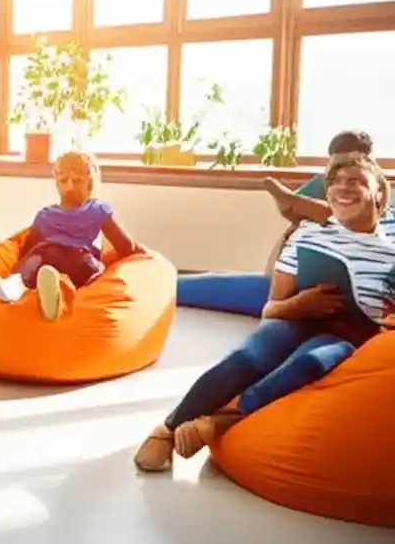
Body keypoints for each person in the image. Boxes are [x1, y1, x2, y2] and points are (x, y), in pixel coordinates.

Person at [135, 152, 395, 472]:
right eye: (336, 183)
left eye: (356, 182)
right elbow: (270, 309)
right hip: (296, 318)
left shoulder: (390, 251)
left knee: (309, 362)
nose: (343, 189)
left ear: (379, 192)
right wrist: (299, 305)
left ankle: (217, 423)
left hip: (347, 335)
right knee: (246, 358)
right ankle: (169, 428)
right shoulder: (308, 235)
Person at [0, 151, 141, 320]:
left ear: (90, 183)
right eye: (64, 181)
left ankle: (19, 286)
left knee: (36, 260)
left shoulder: (78, 211)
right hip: (70, 259)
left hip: (69, 258)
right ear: (57, 183)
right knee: (40, 261)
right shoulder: (59, 214)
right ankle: (31, 289)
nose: (70, 187)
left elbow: (27, 248)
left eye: (77, 181)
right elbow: (126, 246)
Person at [264, 130, 374, 225]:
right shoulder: (324, 179)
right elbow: (292, 212)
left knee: (335, 214)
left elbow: (335, 215)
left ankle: (286, 195)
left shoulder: (370, 181)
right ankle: (286, 196)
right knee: (294, 211)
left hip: (345, 220)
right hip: (322, 226)